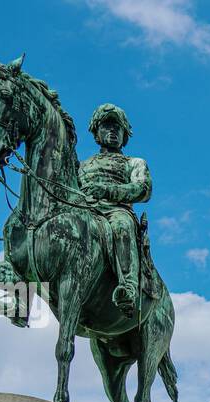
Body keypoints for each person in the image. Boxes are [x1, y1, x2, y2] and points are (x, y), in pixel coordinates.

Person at [79, 103, 152, 319]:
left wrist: (107, 190)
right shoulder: (81, 166)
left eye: (117, 127)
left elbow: (143, 189)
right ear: (96, 132)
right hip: (85, 212)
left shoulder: (134, 162)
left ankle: (127, 287)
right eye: (107, 126)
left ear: (124, 134)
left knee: (122, 226)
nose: (112, 131)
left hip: (115, 211)